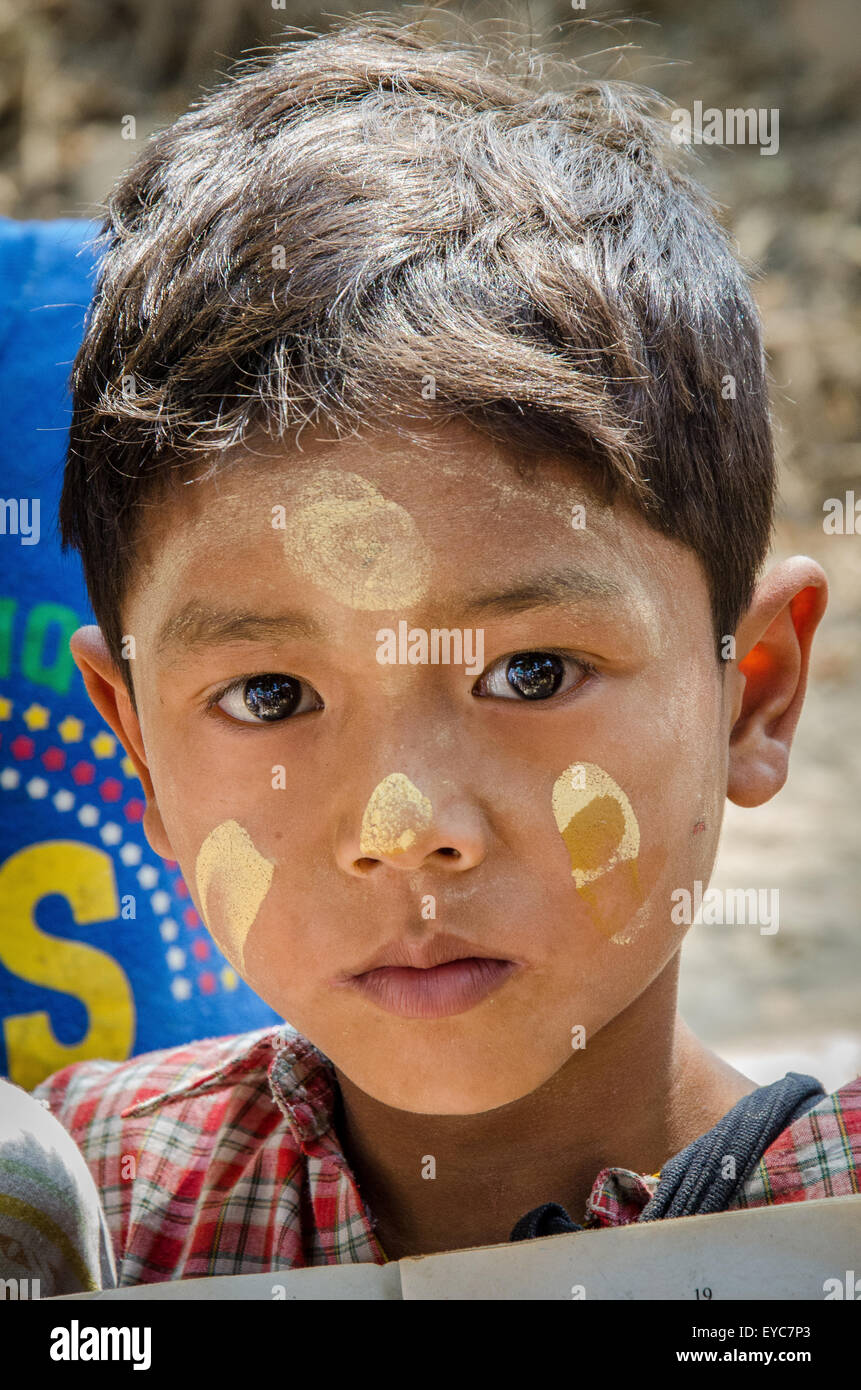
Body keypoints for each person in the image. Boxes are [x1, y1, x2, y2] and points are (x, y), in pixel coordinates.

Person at [26, 13, 859, 1287]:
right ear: (134, 739)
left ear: (752, 693)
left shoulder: (837, 1221)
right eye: (270, 693)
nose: (405, 823)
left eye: (529, 672)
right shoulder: (86, 1206)